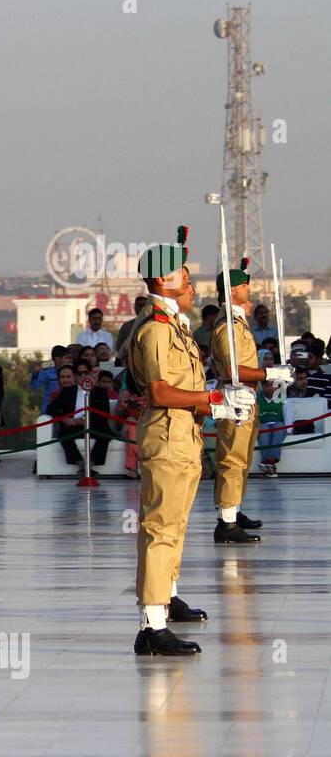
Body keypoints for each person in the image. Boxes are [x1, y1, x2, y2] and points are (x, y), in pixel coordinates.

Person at [127, 229, 254, 656]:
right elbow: (161, 392)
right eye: (184, 272)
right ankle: (152, 625)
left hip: (183, 434)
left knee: (174, 528)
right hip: (167, 435)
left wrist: (211, 403)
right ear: (164, 281)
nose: (192, 281)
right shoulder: (158, 329)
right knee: (160, 529)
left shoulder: (173, 326)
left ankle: (167, 597)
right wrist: (212, 401)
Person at [210, 257, 294, 543]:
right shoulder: (229, 326)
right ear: (232, 290)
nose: (249, 287)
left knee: (242, 460)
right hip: (235, 400)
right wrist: (270, 371)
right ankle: (227, 523)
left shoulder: (237, 322)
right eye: (244, 283)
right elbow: (234, 369)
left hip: (247, 397)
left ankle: (235, 510)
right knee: (232, 461)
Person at [44, 364, 113, 474]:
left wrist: (84, 419)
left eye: (86, 373)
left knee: (105, 435)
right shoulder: (67, 391)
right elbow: (50, 409)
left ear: (91, 374)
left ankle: (90, 465)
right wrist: (64, 419)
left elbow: (104, 413)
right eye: (80, 374)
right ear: (75, 376)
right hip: (73, 426)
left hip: (95, 426)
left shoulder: (100, 392)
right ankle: (81, 464)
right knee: (64, 435)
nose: (83, 376)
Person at [113, 295, 148, 363]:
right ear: (134, 308)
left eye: (144, 306)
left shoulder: (155, 324)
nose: (141, 308)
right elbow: (119, 347)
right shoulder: (126, 326)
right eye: (139, 306)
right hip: (131, 363)